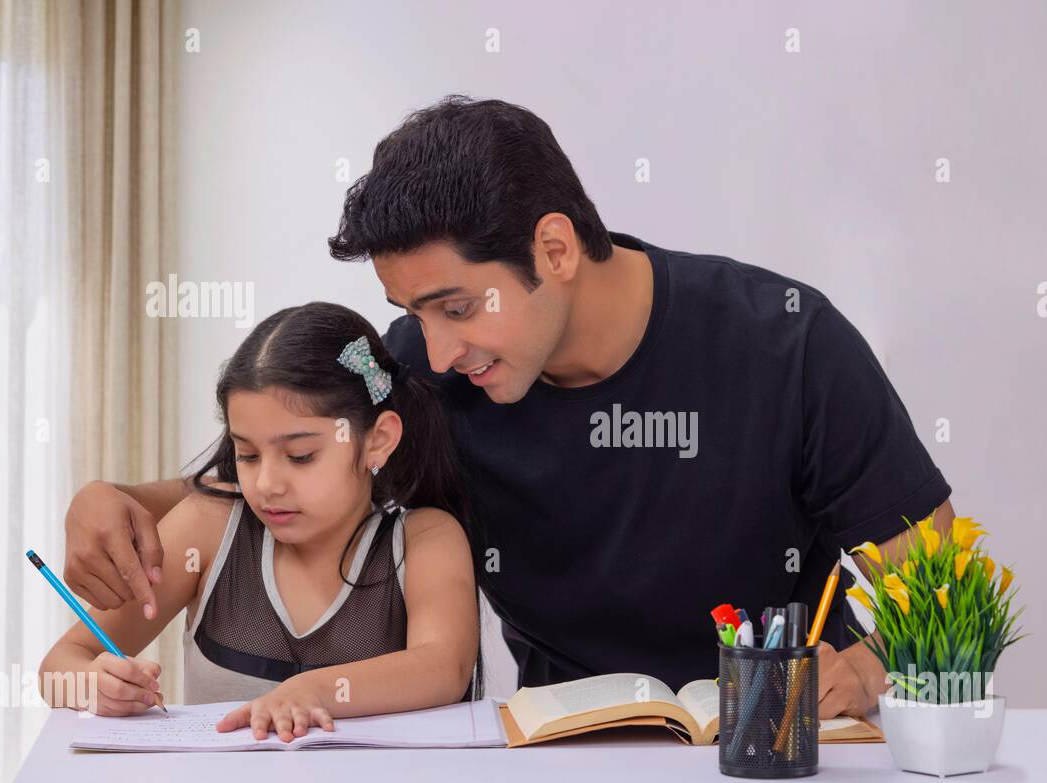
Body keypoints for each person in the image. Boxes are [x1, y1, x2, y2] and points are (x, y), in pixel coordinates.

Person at [63, 95, 955, 719]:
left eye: (457, 306)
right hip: (558, 758)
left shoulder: (788, 345)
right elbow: (281, 465)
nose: (436, 351)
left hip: (784, 749)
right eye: (414, 313)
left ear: (556, 248)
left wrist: (876, 666)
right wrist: (120, 500)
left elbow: (943, 582)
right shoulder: (423, 370)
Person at [42, 302, 482, 740]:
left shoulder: (426, 539)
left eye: (300, 456)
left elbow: (444, 666)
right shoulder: (209, 527)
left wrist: (311, 691)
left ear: (378, 440)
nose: (267, 484)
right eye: (247, 455)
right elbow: (60, 664)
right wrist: (93, 685)